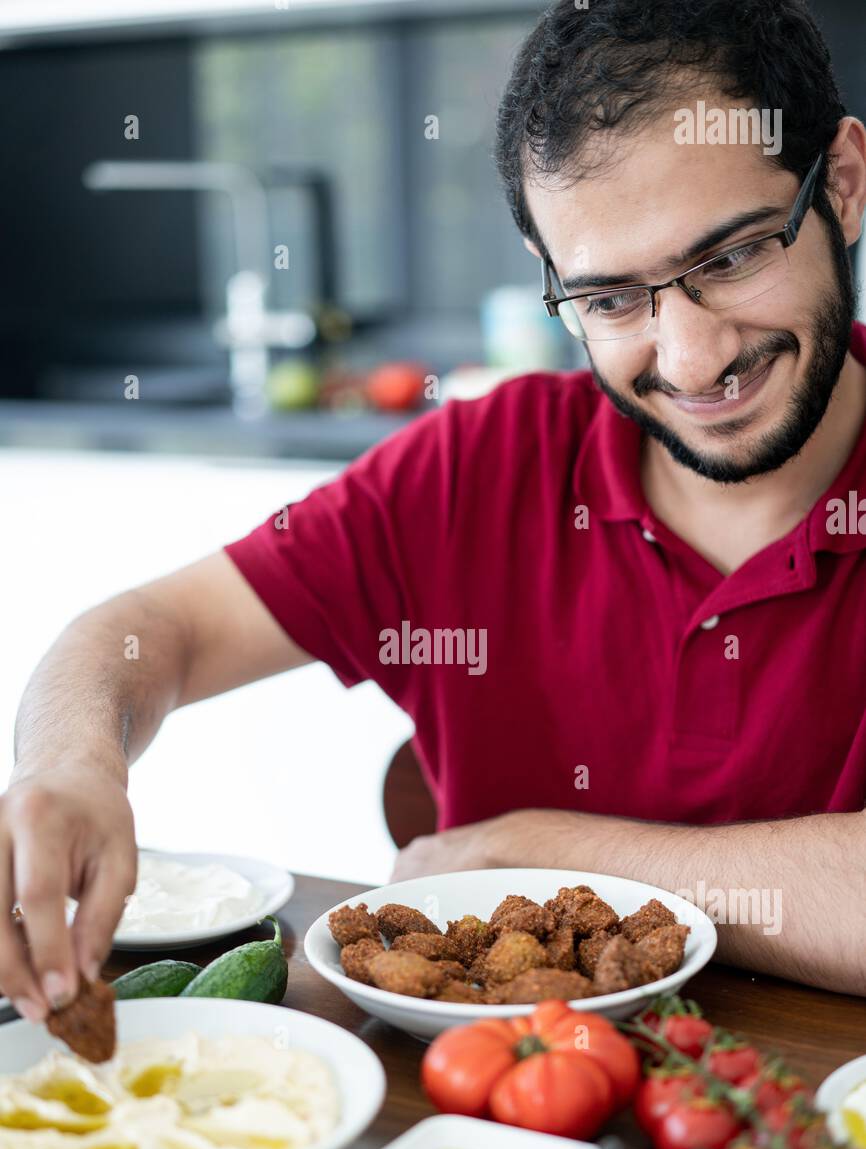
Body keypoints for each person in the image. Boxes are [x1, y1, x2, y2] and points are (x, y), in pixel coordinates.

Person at [3, 0, 865, 1021]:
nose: (689, 357)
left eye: (727, 258)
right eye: (608, 299)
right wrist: (72, 768)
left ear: (842, 184)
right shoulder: (470, 468)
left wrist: (531, 849)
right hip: (460, 1136)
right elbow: (145, 633)